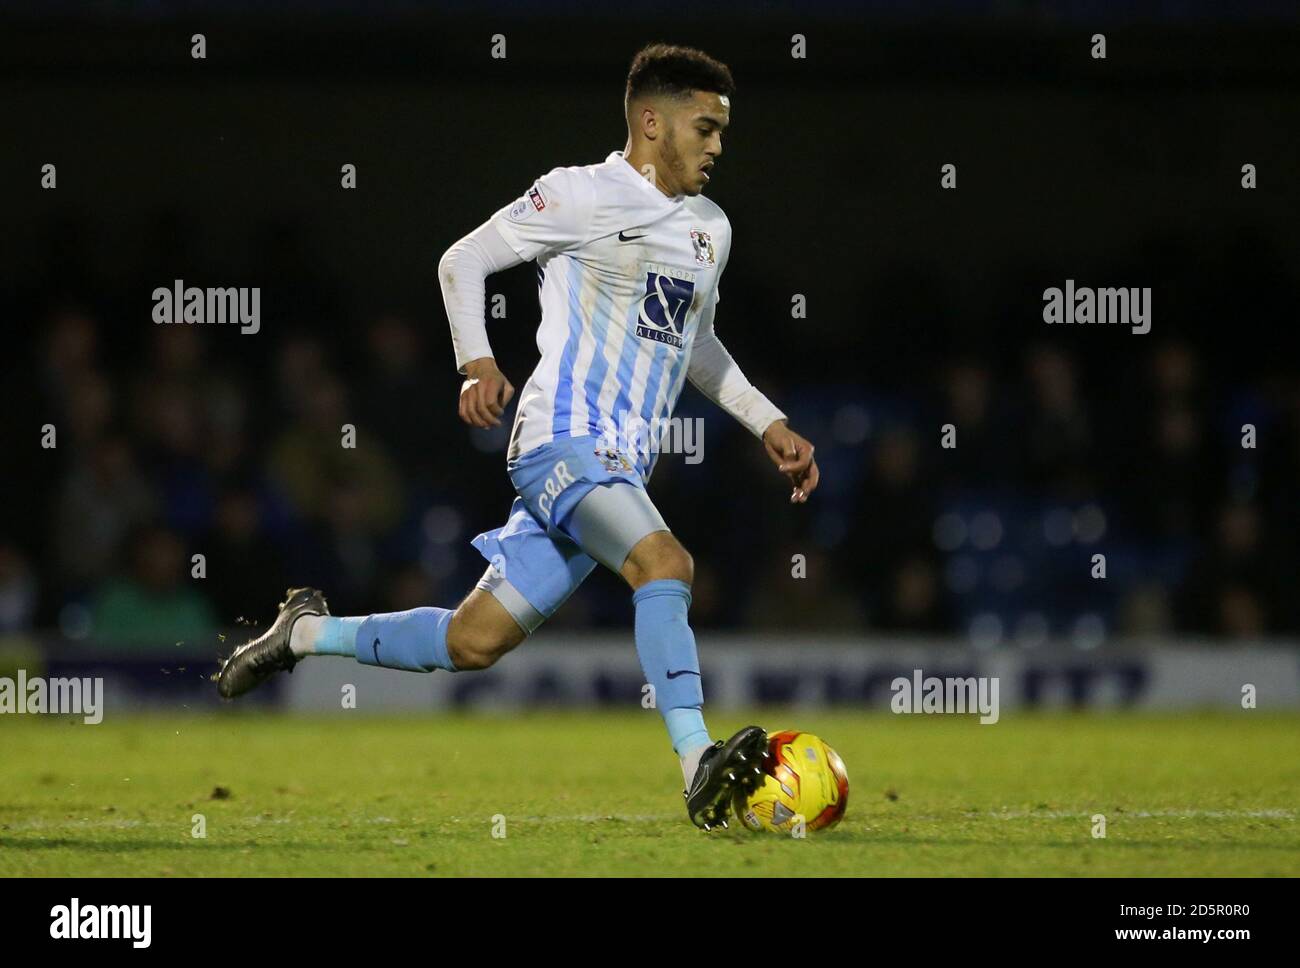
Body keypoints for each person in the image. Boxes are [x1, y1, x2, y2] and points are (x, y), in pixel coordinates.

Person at [216, 43, 820, 830]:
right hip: (560, 439)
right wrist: (477, 362)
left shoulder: (711, 228)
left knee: (473, 641)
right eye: (704, 128)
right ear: (651, 122)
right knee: (666, 563)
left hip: (618, 465)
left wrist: (766, 420)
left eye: (722, 132)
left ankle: (304, 632)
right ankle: (697, 760)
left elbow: (694, 341)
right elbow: (463, 260)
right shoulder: (580, 193)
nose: (717, 146)